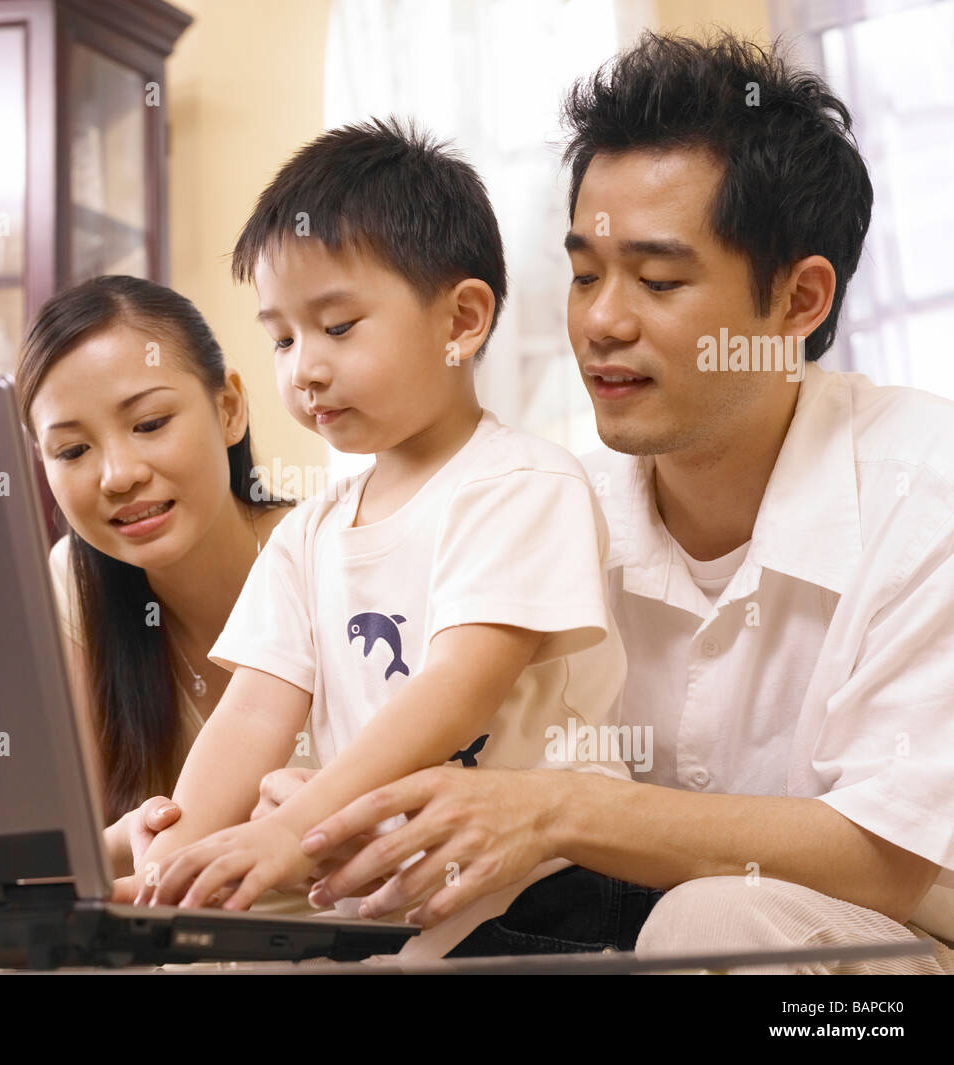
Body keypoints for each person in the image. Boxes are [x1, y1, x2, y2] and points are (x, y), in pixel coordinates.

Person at [254, 32, 954, 973]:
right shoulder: (546, 503)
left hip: (880, 985)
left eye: (659, 280)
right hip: (614, 946)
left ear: (798, 301)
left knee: (714, 927)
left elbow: (889, 854)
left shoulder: (927, 489)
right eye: (585, 273)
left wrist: (557, 812)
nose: (601, 321)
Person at [130, 117, 637, 959]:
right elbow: (252, 710)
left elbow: (459, 688)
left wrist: (295, 827)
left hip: (548, 886)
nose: (304, 369)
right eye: (282, 338)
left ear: (462, 320)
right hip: (395, 890)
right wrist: (182, 850)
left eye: (337, 326)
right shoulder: (307, 534)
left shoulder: (520, 485)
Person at [15, 274, 313, 907]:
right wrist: (119, 841)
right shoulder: (76, 579)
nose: (119, 475)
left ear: (228, 408)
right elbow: (48, 854)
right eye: (72, 450)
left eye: (149, 423)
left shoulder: (328, 555)